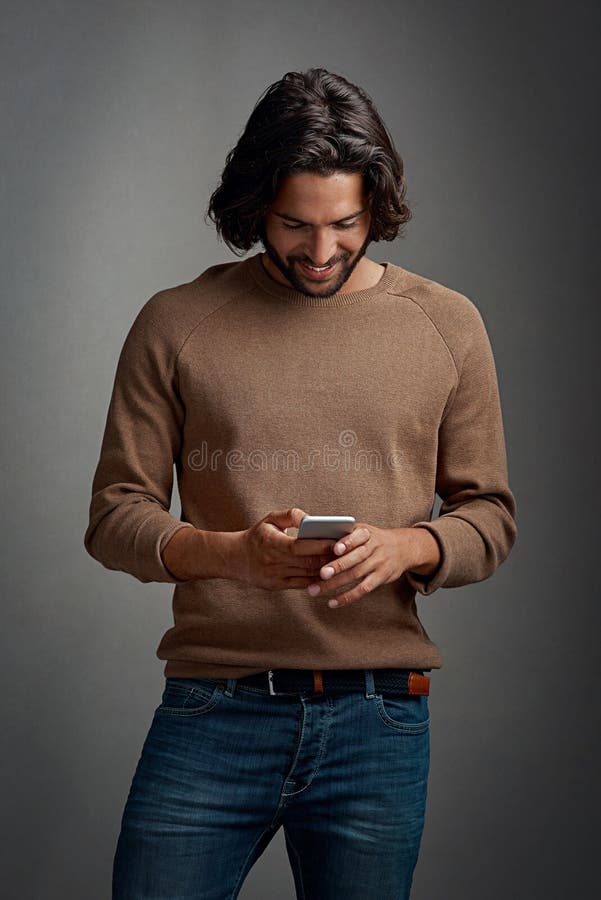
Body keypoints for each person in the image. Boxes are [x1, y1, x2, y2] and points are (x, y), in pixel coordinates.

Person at [84, 67, 517, 900]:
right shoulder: (175, 324)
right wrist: (228, 556)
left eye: (345, 224)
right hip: (213, 708)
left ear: (375, 206)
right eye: (293, 225)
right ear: (254, 207)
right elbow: (113, 516)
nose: (320, 252)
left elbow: (489, 515)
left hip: (379, 719)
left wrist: (409, 546)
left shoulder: (447, 324)